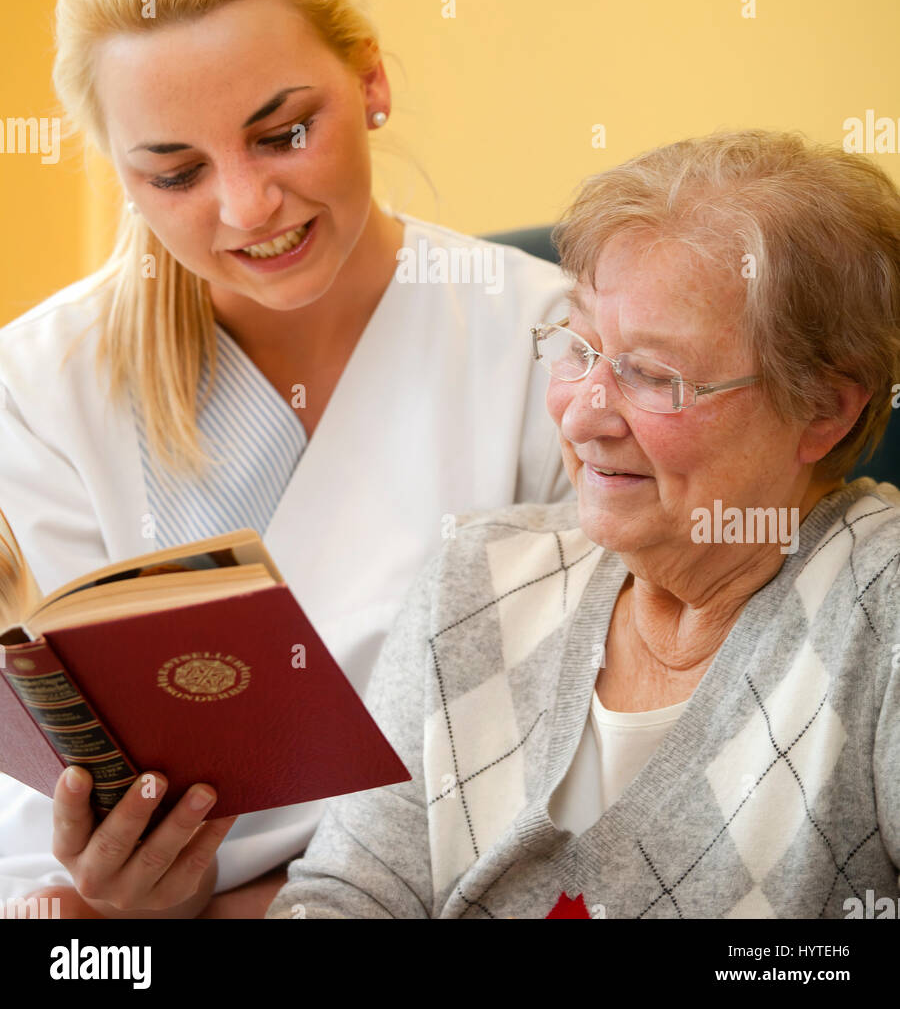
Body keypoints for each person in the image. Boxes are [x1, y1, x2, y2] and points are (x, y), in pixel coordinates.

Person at [0, 0, 572, 918]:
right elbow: (47, 799)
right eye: (175, 174)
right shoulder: (42, 383)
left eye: (284, 133)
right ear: (125, 179)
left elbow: (568, 747)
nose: (248, 207)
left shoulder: (545, 340)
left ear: (372, 83)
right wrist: (110, 894)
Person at [264, 129, 900, 919]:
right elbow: (342, 896)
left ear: (823, 411)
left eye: (652, 374)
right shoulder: (476, 576)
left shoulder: (881, 610)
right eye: (578, 348)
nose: (584, 413)